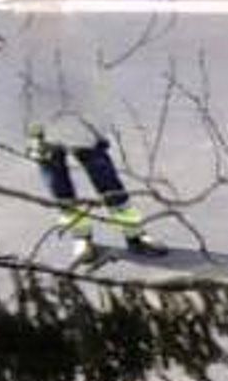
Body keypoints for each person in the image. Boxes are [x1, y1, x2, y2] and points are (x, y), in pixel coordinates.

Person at [17, 13, 168, 265]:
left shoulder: (76, 46)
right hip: (46, 127)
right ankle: (82, 238)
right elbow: (23, 96)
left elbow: (94, 84)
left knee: (105, 178)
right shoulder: (25, 52)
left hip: (80, 122)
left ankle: (135, 235)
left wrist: (95, 123)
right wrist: (34, 133)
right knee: (60, 187)